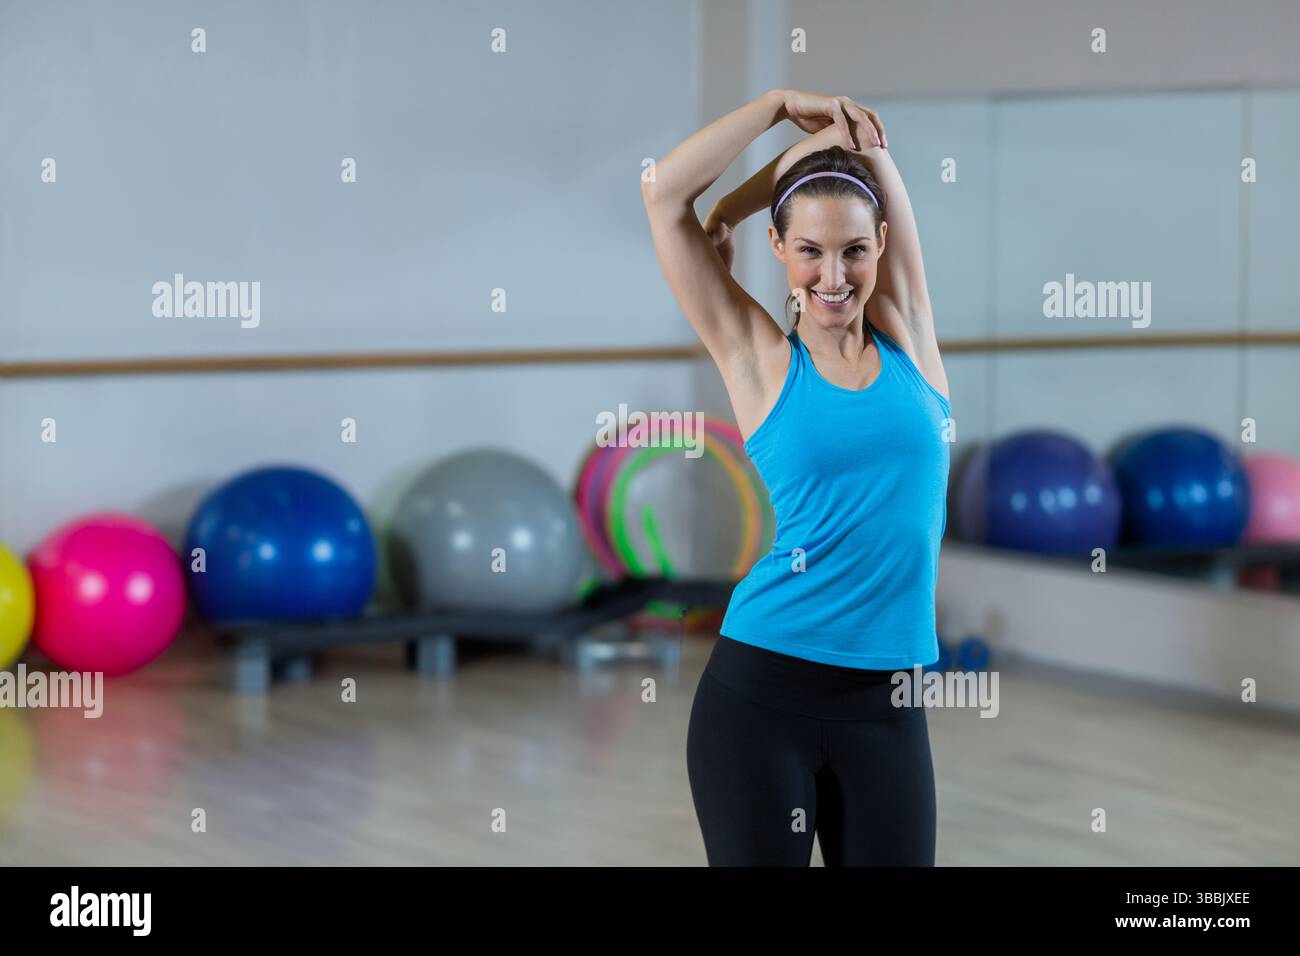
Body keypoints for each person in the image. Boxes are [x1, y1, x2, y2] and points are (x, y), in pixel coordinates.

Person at [640, 89, 952, 866]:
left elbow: (853, 135)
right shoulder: (759, 359)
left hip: (890, 704)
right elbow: (663, 191)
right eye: (809, 249)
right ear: (779, 249)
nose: (835, 274)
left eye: (853, 249)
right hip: (761, 697)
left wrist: (756, 201)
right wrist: (777, 105)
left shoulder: (911, 333)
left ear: (882, 242)